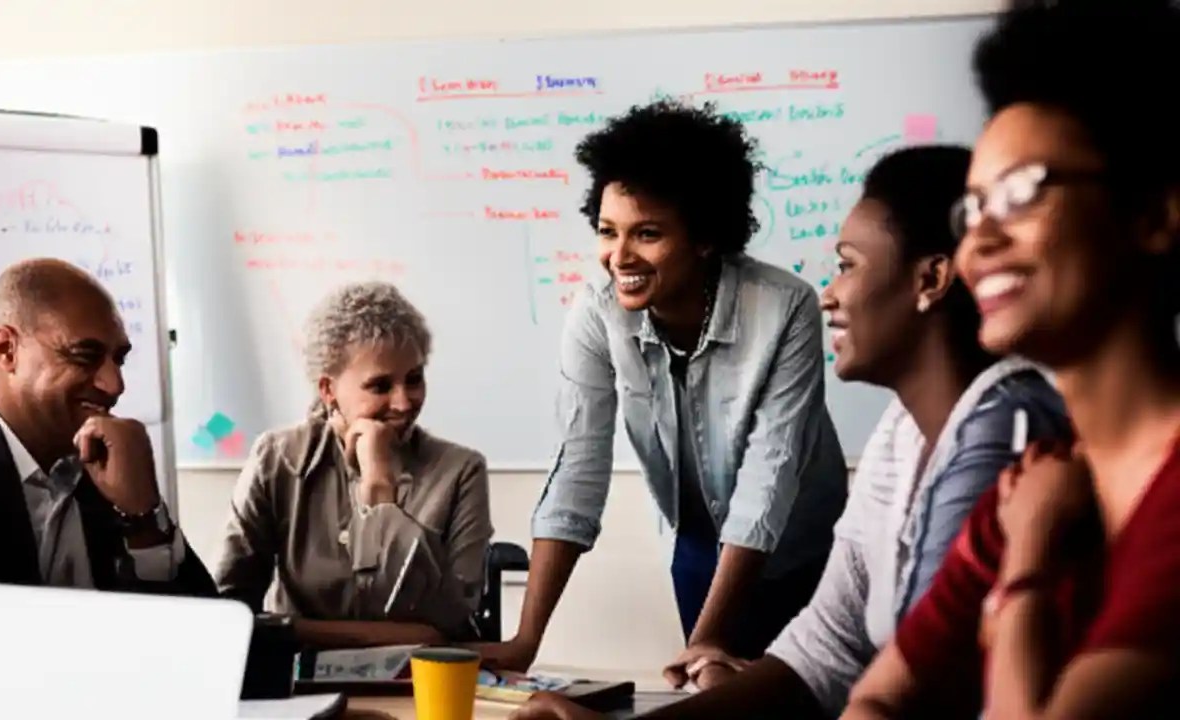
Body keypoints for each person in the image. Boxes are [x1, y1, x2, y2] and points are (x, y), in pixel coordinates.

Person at [508, 147, 1073, 720]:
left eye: (848, 265)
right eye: (608, 231)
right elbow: (826, 654)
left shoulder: (1003, 433)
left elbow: (918, 686)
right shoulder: (899, 434)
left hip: (789, 545)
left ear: (930, 279)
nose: (830, 292)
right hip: (703, 543)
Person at [843, 2, 1180, 718]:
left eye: (1022, 192)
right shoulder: (1039, 484)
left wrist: (1023, 578)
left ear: (1152, 213)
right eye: (972, 209)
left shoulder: (1051, 509)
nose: (979, 241)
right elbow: (873, 699)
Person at [477, 99, 849, 683]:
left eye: (647, 234)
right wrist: (526, 640)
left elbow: (768, 482)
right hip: (700, 545)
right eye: (607, 232)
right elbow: (579, 466)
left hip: (806, 554)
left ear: (705, 238)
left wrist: (705, 643)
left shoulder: (785, 307)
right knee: (712, 696)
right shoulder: (598, 313)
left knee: (799, 701)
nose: (618, 257)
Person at [0, 258, 216, 719]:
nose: (114, 383)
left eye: (119, 359)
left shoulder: (105, 461)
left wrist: (144, 516)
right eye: (85, 356)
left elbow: (208, 647)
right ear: (6, 349)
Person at [214, 281, 493, 648]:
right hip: (297, 686)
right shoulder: (277, 458)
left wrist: (380, 491)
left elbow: (452, 622)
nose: (404, 401)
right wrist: (404, 636)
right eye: (380, 386)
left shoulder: (461, 470)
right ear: (328, 389)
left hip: (416, 687)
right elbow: (230, 611)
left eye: (414, 379)